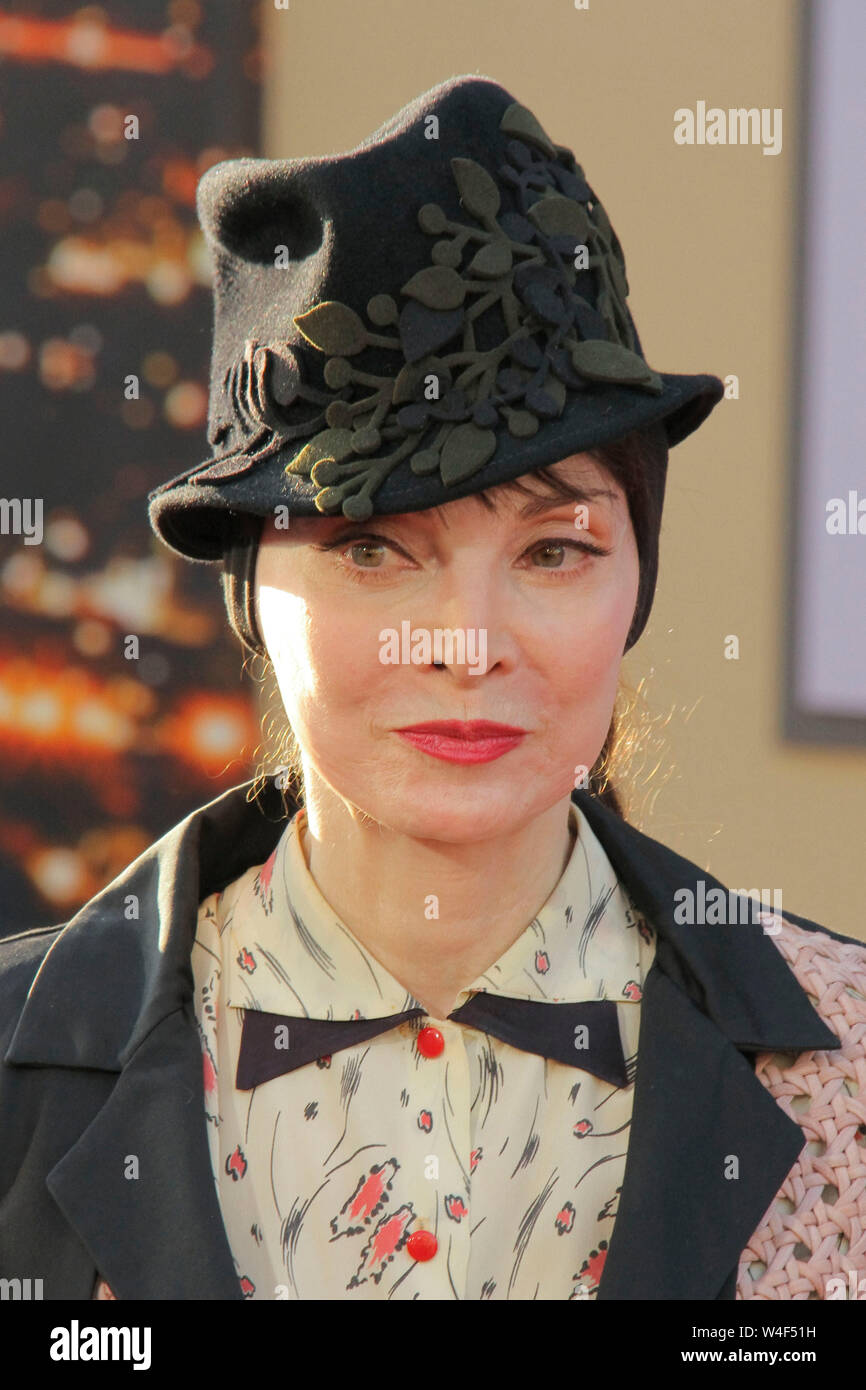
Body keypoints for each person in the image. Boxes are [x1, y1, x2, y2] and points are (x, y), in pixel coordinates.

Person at [2, 75, 864, 1302]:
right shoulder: (16, 1072)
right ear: (250, 594)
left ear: (638, 582)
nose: (464, 644)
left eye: (551, 551)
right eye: (373, 548)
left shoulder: (847, 1075)